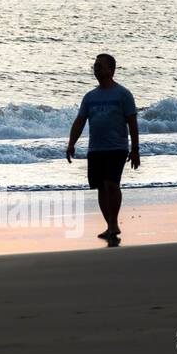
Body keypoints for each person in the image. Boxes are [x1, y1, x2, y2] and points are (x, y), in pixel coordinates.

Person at [66, 53, 139, 245]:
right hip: (96, 149)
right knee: (100, 187)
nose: (96, 69)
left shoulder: (123, 94)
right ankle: (109, 225)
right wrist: (71, 143)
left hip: (117, 147)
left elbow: (132, 122)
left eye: (100, 66)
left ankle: (114, 224)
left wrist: (135, 149)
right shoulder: (90, 97)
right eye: (95, 66)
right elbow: (80, 121)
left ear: (111, 70)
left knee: (111, 183)